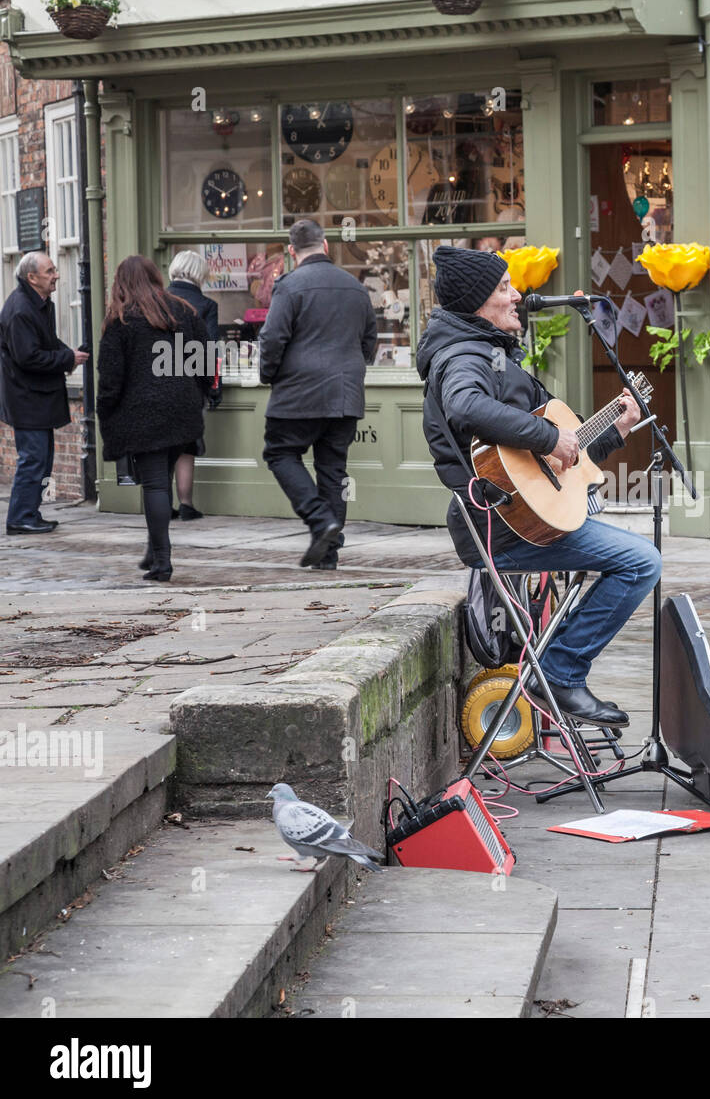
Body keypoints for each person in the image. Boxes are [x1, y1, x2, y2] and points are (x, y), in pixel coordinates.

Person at [417, 245, 658, 727]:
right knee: (641, 563)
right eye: (504, 288)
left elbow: (553, 465)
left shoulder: (490, 353)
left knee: (631, 555)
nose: (517, 295)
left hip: (522, 517)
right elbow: (466, 407)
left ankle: (559, 672)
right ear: (477, 302)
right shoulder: (464, 357)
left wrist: (615, 430)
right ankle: (561, 673)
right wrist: (550, 437)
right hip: (500, 527)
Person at [259, 219, 378, 569]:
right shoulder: (355, 288)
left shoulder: (289, 286)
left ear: (292, 252)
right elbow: (369, 340)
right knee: (333, 470)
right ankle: (329, 554)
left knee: (280, 454)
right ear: (325, 246)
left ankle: (318, 519)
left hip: (298, 395)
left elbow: (272, 339)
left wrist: (269, 375)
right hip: (345, 395)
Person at [97, 256, 208, 581]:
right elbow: (203, 360)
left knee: (156, 485)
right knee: (163, 479)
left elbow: (110, 379)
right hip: (183, 411)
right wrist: (195, 395)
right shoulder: (184, 311)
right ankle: (153, 550)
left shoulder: (120, 320)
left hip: (144, 416)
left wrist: (106, 411)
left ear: (121, 283)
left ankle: (162, 561)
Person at [0, 252, 88, 536]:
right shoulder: (22, 310)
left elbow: (46, 343)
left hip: (36, 397)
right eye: (50, 271)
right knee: (34, 458)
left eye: (54, 270)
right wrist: (66, 359)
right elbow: (28, 357)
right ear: (32, 277)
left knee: (42, 458)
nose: (56, 275)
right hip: (27, 398)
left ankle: (29, 512)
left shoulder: (38, 304)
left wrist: (69, 354)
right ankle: (20, 517)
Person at [166, 250, 221, 521]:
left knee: (160, 446)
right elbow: (209, 351)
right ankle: (186, 503)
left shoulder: (155, 301)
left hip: (156, 383)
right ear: (200, 274)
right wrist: (213, 387)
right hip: (190, 387)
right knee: (187, 447)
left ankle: (161, 504)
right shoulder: (205, 305)